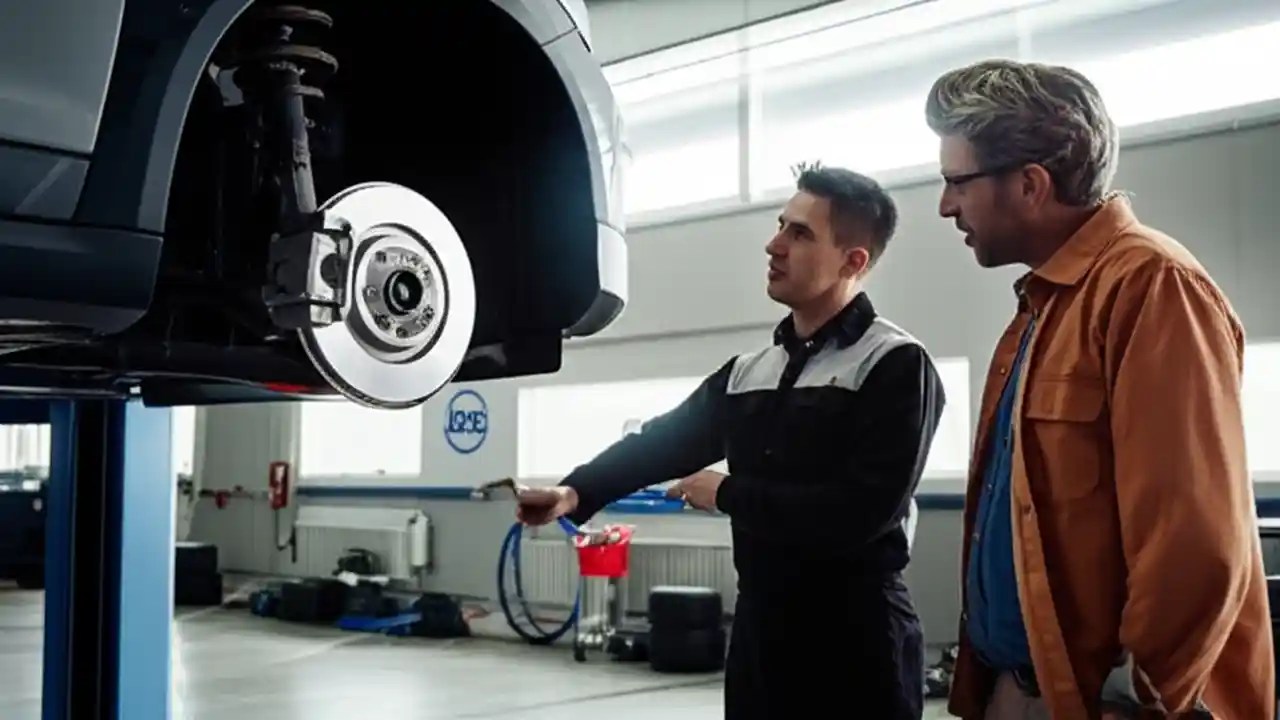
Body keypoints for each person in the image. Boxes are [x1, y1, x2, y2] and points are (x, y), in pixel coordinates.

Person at [517, 163, 946, 719]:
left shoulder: (892, 364)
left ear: (853, 260)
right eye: (780, 226)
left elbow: (860, 512)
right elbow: (663, 441)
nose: (774, 245)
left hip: (855, 635)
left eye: (800, 234)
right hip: (762, 632)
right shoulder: (749, 371)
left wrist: (727, 493)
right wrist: (574, 493)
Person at [924, 58, 1275, 720]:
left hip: (1107, 705)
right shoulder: (1048, 304)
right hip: (1023, 686)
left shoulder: (1152, 286)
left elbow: (1193, 537)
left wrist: (1136, 696)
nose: (945, 206)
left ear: (1030, 184)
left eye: (956, 183)